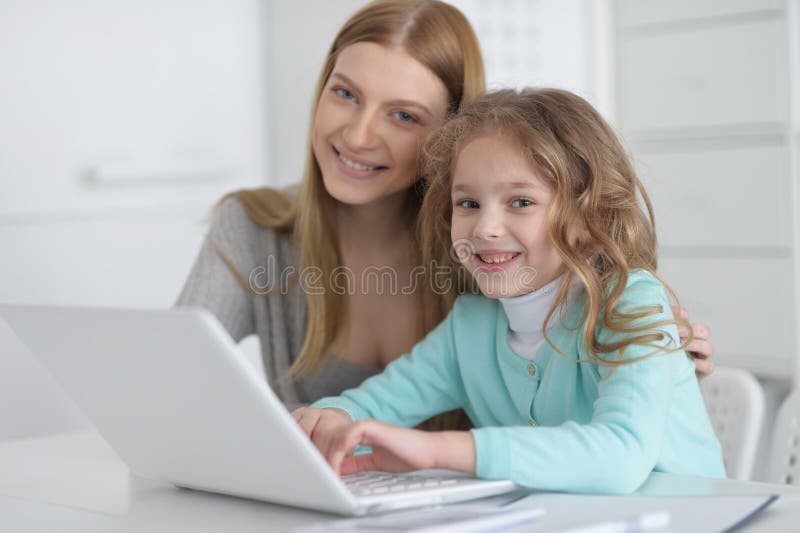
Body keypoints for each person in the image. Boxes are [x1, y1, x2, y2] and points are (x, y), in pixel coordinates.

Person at [176, 0, 714, 420]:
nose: (358, 135)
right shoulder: (254, 229)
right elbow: (163, 387)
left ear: (453, 135)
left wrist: (669, 360)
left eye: (404, 116)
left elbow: (599, 348)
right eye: (345, 94)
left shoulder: (493, 244)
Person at [292, 88, 726, 493]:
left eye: (520, 202)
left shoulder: (630, 300)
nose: (485, 227)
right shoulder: (470, 330)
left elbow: (622, 454)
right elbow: (369, 406)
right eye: (468, 203)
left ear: (587, 219)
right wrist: (323, 422)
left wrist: (439, 450)